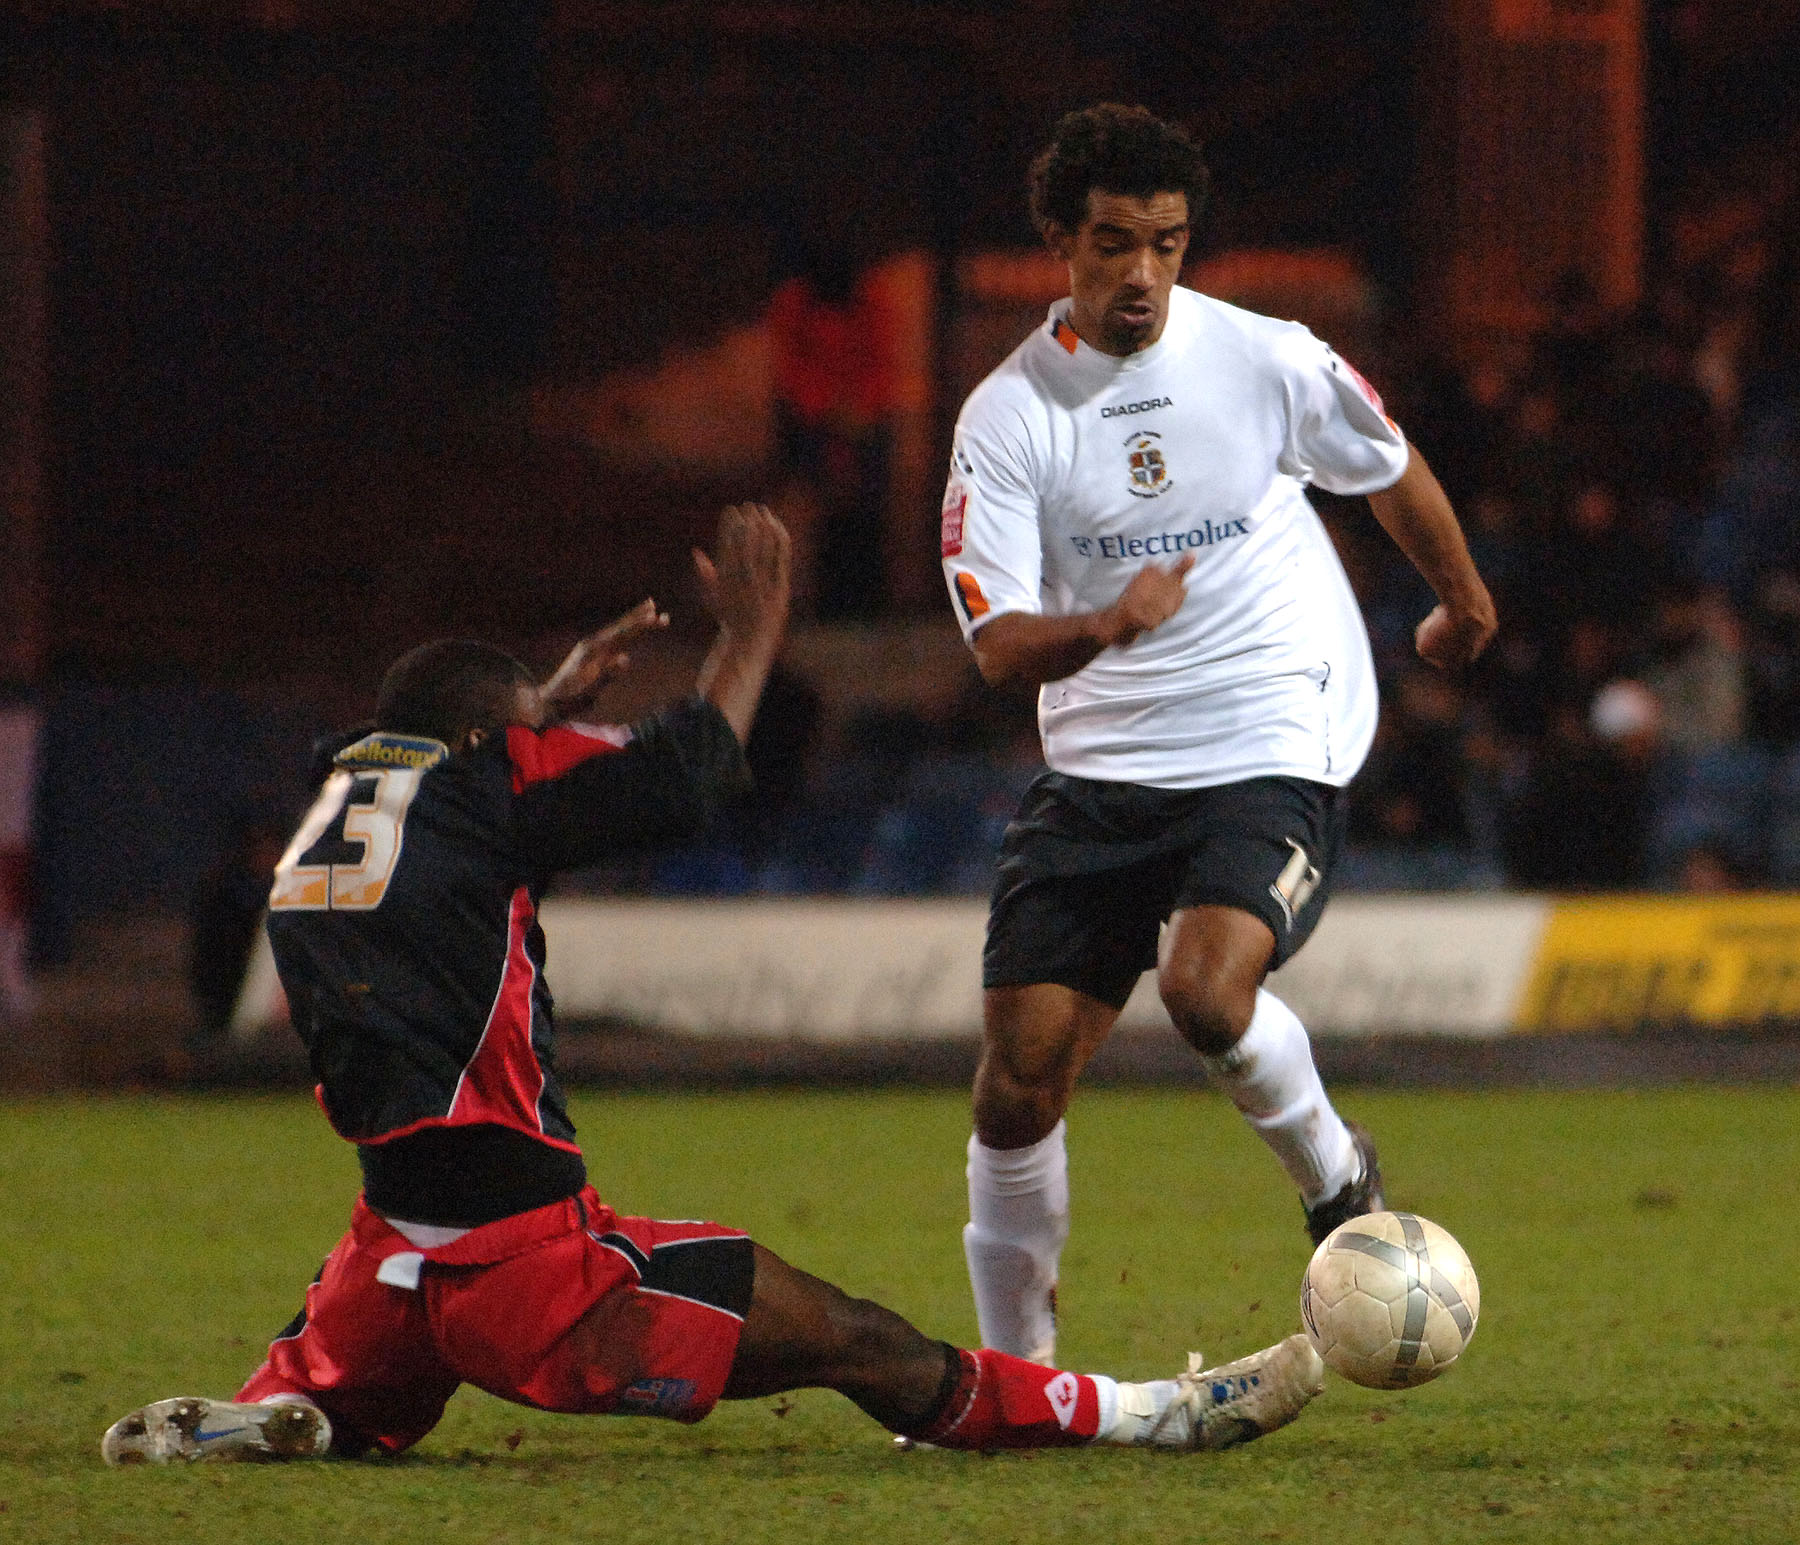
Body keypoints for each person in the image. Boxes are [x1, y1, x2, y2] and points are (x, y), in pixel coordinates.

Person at [101, 503, 1323, 1466]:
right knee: (859, 1341)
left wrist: (537, 711)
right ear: (489, 743)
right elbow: (687, 775)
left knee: (355, 1420)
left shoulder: (334, 809)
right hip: (530, 1271)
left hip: (387, 1269)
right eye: (528, 730)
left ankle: (298, 1410)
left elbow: (459, 836)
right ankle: (1156, 1413)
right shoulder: (483, 793)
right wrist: (752, 629)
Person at [939, 105, 1496, 1366]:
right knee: (1017, 1081)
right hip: (1102, 761)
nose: (1142, 272)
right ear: (1061, 243)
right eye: (1113, 244)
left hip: (1271, 725)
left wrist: (1462, 602)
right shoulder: (1008, 418)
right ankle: (1019, 1380)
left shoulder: (1263, 357)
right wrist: (1106, 624)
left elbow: (1386, 463)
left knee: (1204, 990)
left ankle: (1337, 1179)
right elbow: (998, 647)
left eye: (1167, 243)